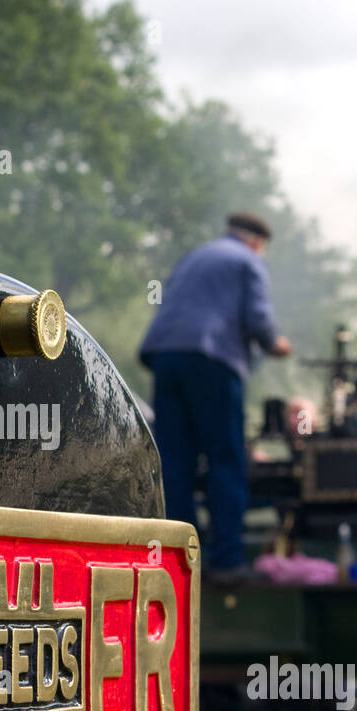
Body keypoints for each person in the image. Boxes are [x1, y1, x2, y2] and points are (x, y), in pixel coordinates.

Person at [139, 213, 291, 582]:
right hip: (211, 360)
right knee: (226, 459)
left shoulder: (196, 257)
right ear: (257, 242)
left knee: (175, 463)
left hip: (166, 359)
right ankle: (226, 561)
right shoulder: (246, 261)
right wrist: (277, 344)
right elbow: (258, 321)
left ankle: (178, 566)